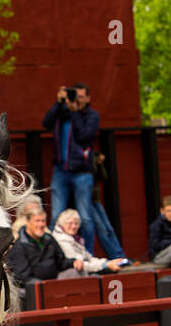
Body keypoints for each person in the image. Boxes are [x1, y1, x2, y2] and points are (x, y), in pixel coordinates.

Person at [42, 84, 100, 251]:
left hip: (82, 172)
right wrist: (58, 103)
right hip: (61, 171)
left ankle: (87, 255)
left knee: (85, 217)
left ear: (88, 99)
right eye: (75, 97)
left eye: (81, 97)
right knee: (56, 217)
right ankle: (54, 255)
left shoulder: (91, 116)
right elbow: (46, 123)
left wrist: (74, 112)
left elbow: (84, 136)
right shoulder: (61, 115)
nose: (78, 100)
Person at [7, 203, 83, 298]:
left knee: (75, 272)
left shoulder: (49, 239)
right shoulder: (19, 246)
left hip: (52, 283)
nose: (41, 224)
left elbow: (61, 262)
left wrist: (73, 262)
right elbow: (23, 277)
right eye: (37, 221)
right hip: (31, 290)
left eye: (43, 221)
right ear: (28, 222)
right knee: (36, 287)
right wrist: (45, 287)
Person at [52, 209, 126, 273]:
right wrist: (105, 265)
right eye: (70, 223)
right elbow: (79, 265)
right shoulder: (62, 240)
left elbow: (89, 258)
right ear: (62, 224)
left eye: (76, 223)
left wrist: (108, 262)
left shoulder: (75, 239)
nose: (74, 226)